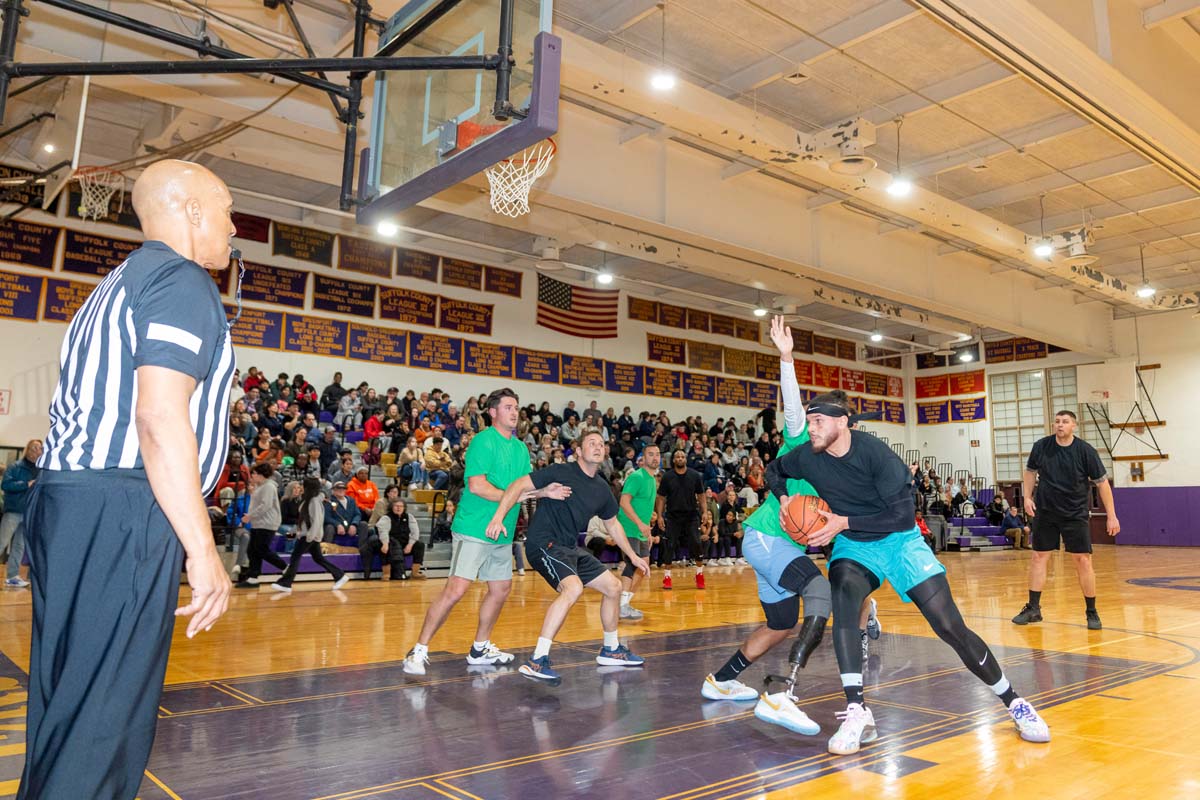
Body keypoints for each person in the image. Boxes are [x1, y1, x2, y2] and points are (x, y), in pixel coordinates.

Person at [21, 160, 236, 798]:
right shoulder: (182, 279)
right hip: (122, 504)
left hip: (68, 501)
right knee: (103, 722)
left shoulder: (112, 284)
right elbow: (158, 416)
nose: (232, 226)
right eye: (225, 210)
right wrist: (203, 550)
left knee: (67, 704)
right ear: (192, 211)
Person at [765, 389, 1049, 755]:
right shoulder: (808, 456)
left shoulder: (877, 456)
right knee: (844, 599)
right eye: (809, 421)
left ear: (840, 422)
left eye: (818, 421)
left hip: (901, 542)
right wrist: (786, 499)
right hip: (854, 545)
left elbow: (901, 516)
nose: (811, 428)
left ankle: (1015, 702)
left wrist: (841, 521)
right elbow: (774, 470)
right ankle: (857, 710)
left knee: (950, 627)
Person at [699, 317, 831, 737]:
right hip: (767, 536)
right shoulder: (800, 442)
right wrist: (787, 357)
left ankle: (719, 680)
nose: (817, 425)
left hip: (776, 546)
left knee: (780, 624)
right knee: (819, 591)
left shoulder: (840, 471)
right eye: (816, 420)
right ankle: (781, 695)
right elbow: (792, 406)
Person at [402, 388, 569, 676]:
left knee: (501, 588)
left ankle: (480, 647)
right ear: (493, 412)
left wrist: (544, 491)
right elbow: (477, 486)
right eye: (507, 407)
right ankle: (418, 649)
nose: (514, 412)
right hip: (476, 526)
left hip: (503, 530)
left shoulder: (520, 449)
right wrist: (513, 498)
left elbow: (521, 489)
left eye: (516, 407)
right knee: (456, 589)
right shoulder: (482, 441)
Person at [486, 429, 650, 683]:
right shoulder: (561, 471)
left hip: (569, 548)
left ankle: (611, 649)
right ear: (579, 451)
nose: (598, 447)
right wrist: (498, 517)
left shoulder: (602, 488)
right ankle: (537, 660)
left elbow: (613, 524)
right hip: (543, 543)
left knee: (614, 587)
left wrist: (633, 557)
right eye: (591, 443)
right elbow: (518, 485)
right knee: (572, 588)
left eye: (601, 443)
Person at [1012, 410, 1118, 630]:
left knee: (1083, 561)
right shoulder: (1041, 446)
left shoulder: (1085, 451)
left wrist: (1112, 515)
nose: (1060, 425)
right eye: (1057, 421)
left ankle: (1092, 612)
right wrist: (1027, 497)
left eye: (1065, 422)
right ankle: (1033, 608)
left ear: (1074, 426)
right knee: (1038, 557)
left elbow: (1102, 484)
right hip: (1046, 511)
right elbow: (1030, 472)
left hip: (1074, 513)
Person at [273, 477, 350, 594]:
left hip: (309, 535)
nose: (301, 488)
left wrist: (310, 536)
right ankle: (339, 575)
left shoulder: (314, 501)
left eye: (303, 486)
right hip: (305, 533)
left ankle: (286, 583)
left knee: (295, 557)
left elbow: (317, 521)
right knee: (318, 558)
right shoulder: (308, 500)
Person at [616, 443, 660, 620]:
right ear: (643, 458)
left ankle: (623, 604)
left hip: (641, 531)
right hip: (629, 528)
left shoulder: (652, 480)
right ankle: (621, 606)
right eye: (651, 454)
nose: (655, 457)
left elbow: (646, 508)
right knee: (634, 564)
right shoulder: (637, 477)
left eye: (657, 454)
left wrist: (647, 531)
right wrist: (640, 524)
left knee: (643, 567)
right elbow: (624, 502)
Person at [655, 449, 706, 590]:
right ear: (673, 460)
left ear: (686, 459)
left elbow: (701, 495)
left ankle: (699, 574)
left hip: (691, 515)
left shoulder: (695, 475)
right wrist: (659, 515)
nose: (680, 458)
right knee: (669, 545)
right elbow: (661, 498)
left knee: (696, 543)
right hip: (672, 516)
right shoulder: (667, 477)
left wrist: (705, 512)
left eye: (682, 456)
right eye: (677, 456)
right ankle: (667, 576)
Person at [237, 462, 288, 587]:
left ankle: (286, 568)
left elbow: (265, 505)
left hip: (267, 523)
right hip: (259, 523)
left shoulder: (269, 487)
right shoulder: (261, 486)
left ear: (261, 475)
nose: (252, 476)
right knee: (252, 550)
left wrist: (249, 516)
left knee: (261, 549)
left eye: (254, 473)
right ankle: (253, 577)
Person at [1, 439, 41, 588]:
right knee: (2, 542)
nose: (37, 450)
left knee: (19, 546)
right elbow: (5, 485)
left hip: (29, 514)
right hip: (14, 512)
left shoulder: (40, 470)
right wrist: (25, 484)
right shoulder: (15, 466)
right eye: (34, 447)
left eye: (39, 448)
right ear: (27, 449)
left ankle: (12, 576)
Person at [374, 499, 426, 580]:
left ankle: (415, 572)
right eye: (396, 506)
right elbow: (383, 532)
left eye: (401, 506)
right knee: (384, 546)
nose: (399, 508)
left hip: (405, 544)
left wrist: (410, 545)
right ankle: (386, 573)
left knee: (420, 545)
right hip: (392, 543)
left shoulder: (409, 517)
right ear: (392, 507)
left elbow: (415, 532)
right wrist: (385, 543)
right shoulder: (386, 518)